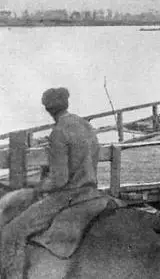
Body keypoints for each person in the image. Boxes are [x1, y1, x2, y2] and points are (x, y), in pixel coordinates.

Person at [1, 88, 102, 279]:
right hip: (92, 192)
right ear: (67, 104)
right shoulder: (86, 126)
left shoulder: (58, 132)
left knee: (11, 233)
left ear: (48, 110)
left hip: (68, 196)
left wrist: (38, 188)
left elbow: (60, 179)